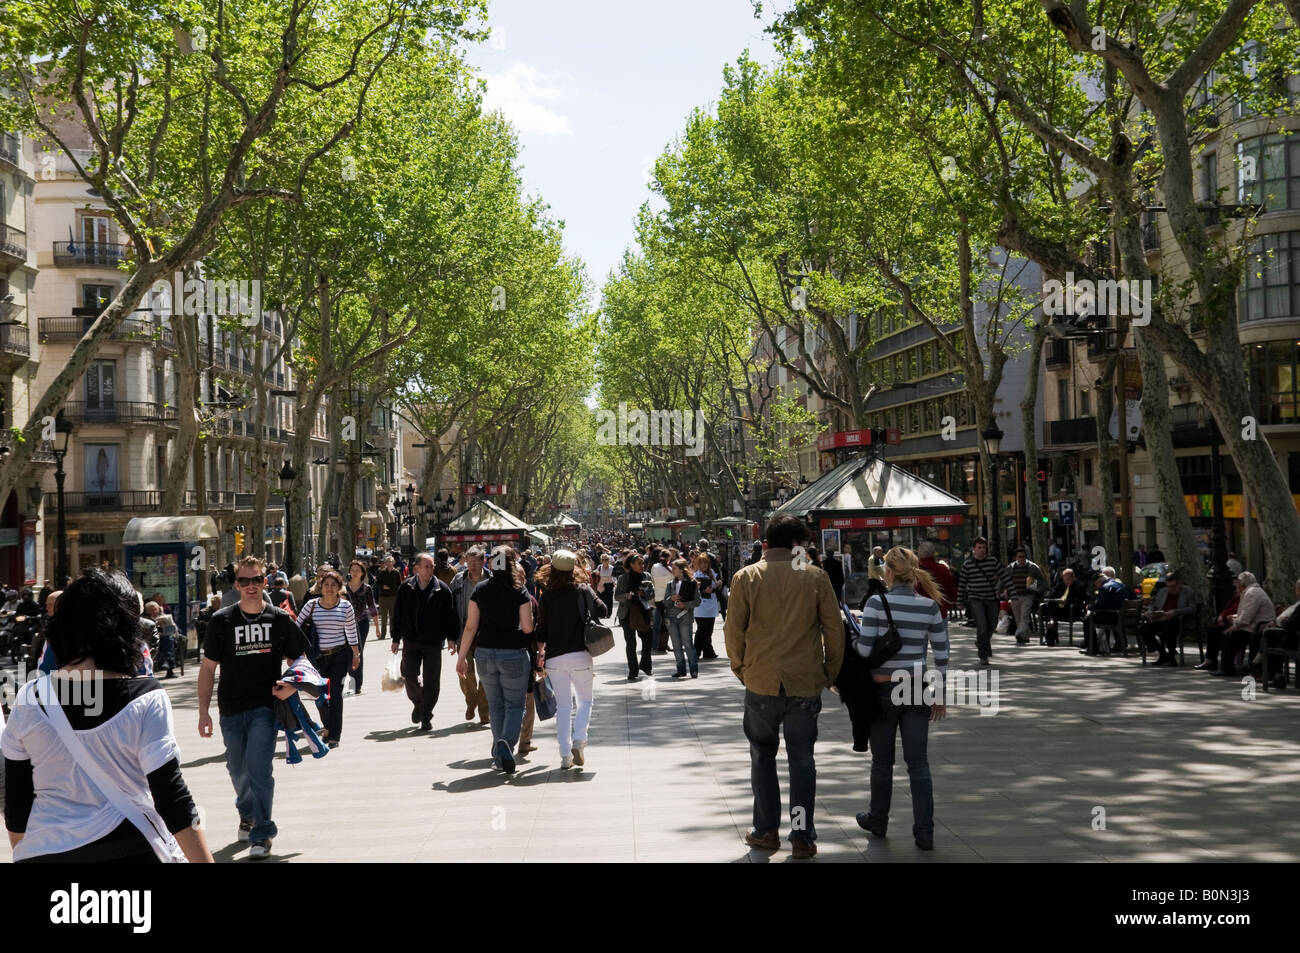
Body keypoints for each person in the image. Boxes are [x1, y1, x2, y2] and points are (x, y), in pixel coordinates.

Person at [2, 570, 214, 863]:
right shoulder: (146, 697)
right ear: (125, 630)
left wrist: (29, 851)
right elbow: (172, 798)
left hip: (43, 852)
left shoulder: (28, 699)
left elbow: (16, 803)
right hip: (128, 850)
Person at [724, 515, 843, 859]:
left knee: (762, 756)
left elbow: (733, 633)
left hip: (761, 681)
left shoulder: (746, 577)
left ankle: (766, 830)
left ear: (765, 543)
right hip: (804, 682)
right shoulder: (815, 577)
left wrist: (742, 670)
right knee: (802, 759)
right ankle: (802, 835)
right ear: (799, 546)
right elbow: (834, 630)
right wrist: (828, 673)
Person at [198, 555, 312, 859]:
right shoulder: (221, 621)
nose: (251, 586)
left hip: (265, 707)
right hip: (230, 709)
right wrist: (202, 712)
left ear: (266, 582)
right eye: (244, 581)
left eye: (257, 580)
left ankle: (262, 832)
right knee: (237, 769)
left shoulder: (279, 619)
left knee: (259, 769)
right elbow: (208, 668)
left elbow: (299, 659)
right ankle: (246, 813)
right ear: (236, 585)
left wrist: (292, 684)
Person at [853, 547, 948, 851]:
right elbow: (942, 654)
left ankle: (878, 819)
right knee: (918, 765)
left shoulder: (875, 603)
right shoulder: (930, 606)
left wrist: (854, 634)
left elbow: (865, 651)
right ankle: (924, 833)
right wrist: (941, 694)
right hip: (916, 689)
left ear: (889, 573)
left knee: (882, 762)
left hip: (883, 691)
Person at [455, 547, 534, 774]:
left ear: (491, 564)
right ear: (511, 564)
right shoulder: (520, 590)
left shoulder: (480, 589)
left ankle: (499, 756)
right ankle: (506, 743)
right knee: (516, 704)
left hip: (485, 653)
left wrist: (462, 657)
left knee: (496, 704)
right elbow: (527, 627)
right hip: (513, 653)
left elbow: (470, 626)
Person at [534, 550, 604, 769]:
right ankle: (579, 740)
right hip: (580, 654)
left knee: (563, 707)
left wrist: (540, 653)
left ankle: (565, 756)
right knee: (585, 701)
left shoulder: (547, 596)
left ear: (552, 569)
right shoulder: (583, 590)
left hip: (555, 658)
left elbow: (541, 632)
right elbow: (604, 609)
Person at [389, 552, 460, 732]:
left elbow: (451, 616)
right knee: (409, 675)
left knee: (431, 681)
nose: (430, 569)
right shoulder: (406, 588)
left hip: (433, 642)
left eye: (432, 566)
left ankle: (426, 715)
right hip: (411, 640)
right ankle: (419, 704)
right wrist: (395, 638)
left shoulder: (442, 590)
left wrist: (451, 637)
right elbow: (397, 615)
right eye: (426, 566)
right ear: (417, 568)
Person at [296, 570, 359, 747]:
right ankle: (328, 727)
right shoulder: (311, 605)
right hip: (315, 658)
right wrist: (296, 653)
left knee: (336, 696)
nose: (330, 588)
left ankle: (334, 736)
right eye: (326, 585)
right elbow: (297, 627)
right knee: (321, 696)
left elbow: (352, 632)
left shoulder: (345, 606)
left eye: (333, 585)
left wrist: (356, 654)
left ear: (339, 587)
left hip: (339, 655)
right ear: (321, 587)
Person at [450, 547, 491, 724]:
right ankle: (471, 699)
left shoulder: (492, 580)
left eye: (476, 562)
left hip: (487, 634)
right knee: (465, 672)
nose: (472, 565)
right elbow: (450, 610)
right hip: (463, 632)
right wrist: (450, 636)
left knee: (487, 674)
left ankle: (484, 710)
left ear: (483, 562)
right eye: (469, 561)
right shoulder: (458, 581)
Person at [957, 537, 1011, 665]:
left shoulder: (992, 562)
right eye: (979, 548)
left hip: (991, 598)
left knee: (992, 625)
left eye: (984, 547)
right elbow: (962, 584)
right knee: (982, 626)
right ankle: (983, 655)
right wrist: (960, 601)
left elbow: (1005, 576)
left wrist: (1013, 594)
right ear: (974, 549)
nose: (982, 550)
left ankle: (981, 642)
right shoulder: (967, 564)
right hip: (975, 599)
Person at [1215, 571, 1275, 677]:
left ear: (1242, 584)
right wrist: (1235, 619)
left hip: (1258, 628)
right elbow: (1246, 613)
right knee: (1222, 631)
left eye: (1237, 583)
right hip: (1254, 625)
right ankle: (1226, 666)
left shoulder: (1252, 593)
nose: (1236, 585)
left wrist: (1234, 625)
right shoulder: (1251, 591)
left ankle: (1227, 668)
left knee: (1228, 635)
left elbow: (1247, 617)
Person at [1138, 570, 1198, 665]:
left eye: (1173, 586)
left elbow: (1193, 608)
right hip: (1161, 618)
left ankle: (1171, 657)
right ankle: (1162, 653)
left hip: (1179, 620)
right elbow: (1154, 606)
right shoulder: (1163, 591)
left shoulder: (1188, 591)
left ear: (1179, 584)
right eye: (1168, 586)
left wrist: (1175, 612)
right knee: (1143, 629)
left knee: (1168, 629)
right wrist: (1150, 612)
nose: (1171, 589)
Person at [614, 553, 655, 680]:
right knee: (631, 643)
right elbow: (617, 596)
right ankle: (633, 671)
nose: (642, 566)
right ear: (631, 565)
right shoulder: (623, 578)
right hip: (626, 614)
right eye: (639, 564)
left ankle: (645, 665)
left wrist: (645, 594)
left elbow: (652, 594)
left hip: (643, 612)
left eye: (643, 563)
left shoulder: (647, 576)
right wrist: (626, 596)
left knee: (648, 640)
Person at [342, 560, 377, 695]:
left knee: (358, 652)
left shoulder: (367, 588)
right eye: (353, 570)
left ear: (363, 573)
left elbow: (372, 607)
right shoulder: (343, 588)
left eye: (358, 570)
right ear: (349, 572)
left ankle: (357, 684)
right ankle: (350, 680)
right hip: (346, 624)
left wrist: (378, 627)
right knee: (348, 652)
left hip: (362, 624)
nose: (355, 572)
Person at [1081, 568, 1130, 656]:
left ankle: (1092, 648)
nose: (1097, 587)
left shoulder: (1105, 587)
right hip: (1125, 617)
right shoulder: (1122, 585)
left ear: (1099, 581)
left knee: (1087, 619)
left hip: (1113, 617)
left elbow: (1100, 605)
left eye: (1096, 585)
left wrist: (1089, 607)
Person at [1196, 578, 1242, 672]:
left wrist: (1224, 619)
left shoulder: (1244, 598)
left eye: (1237, 587)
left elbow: (1239, 613)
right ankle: (1210, 660)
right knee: (1213, 631)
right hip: (1228, 622)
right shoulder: (1234, 598)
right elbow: (1226, 610)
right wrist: (1220, 617)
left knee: (1220, 632)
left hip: (1237, 624)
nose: (1235, 589)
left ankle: (1220, 664)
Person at [665, 557, 701, 679]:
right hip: (672, 617)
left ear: (681, 570)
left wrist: (685, 604)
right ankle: (680, 669)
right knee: (676, 645)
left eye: (674, 568)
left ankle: (694, 669)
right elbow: (665, 602)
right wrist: (671, 599)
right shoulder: (670, 584)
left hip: (685, 617)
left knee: (688, 644)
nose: (672, 570)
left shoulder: (692, 583)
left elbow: (697, 601)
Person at [1006, 547, 1047, 645]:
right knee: (1018, 619)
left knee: (1024, 616)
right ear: (1015, 557)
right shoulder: (1010, 568)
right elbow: (1005, 580)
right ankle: (1024, 637)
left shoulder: (1033, 567)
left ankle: (1018, 633)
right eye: (1019, 557)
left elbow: (1042, 581)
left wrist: (1033, 587)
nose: (1021, 559)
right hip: (1015, 596)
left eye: (1023, 557)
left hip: (1027, 596)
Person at [1040, 568, 1086, 644]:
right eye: (1064, 579)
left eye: (1068, 579)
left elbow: (1080, 601)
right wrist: (1058, 600)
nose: (1066, 582)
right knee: (1046, 605)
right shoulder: (1061, 584)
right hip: (1057, 609)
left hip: (1070, 610)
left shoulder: (1080, 586)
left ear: (1073, 577)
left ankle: (1051, 631)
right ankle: (1052, 623)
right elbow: (1052, 596)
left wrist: (1067, 602)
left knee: (1050, 607)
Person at [916, 540, 956, 623]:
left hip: (919, 614)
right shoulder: (943, 569)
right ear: (934, 553)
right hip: (939, 613)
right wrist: (945, 607)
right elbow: (952, 594)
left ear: (919, 554)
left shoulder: (914, 571)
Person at [692, 552, 721, 660]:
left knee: (708, 630)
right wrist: (706, 590)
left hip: (711, 605)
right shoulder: (696, 575)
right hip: (701, 607)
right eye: (701, 563)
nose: (704, 565)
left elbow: (713, 587)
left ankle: (708, 652)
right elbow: (696, 590)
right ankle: (696, 651)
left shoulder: (712, 572)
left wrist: (718, 584)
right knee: (701, 630)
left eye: (705, 563)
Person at [145, 601, 180, 679]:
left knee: (168, 639)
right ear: (147, 611)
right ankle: (168, 666)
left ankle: (166, 662)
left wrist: (165, 626)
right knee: (168, 641)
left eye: (155, 609)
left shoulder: (164, 617)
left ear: (158, 609)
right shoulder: (146, 620)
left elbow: (173, 630)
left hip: (166, 638)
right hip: (153, 641)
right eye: (151, 610)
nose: (154, 611)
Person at [650, 548, 673, 653]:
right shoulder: (669, 570)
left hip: (658, 597)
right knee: (666, 622)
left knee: (658, 621)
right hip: (668, 598)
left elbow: (653, 581)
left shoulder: (654, 567)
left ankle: (657, 643)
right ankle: (663, 644)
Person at [375, 555, 402, 640]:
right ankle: (383, 634)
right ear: (385, 563)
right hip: (383, 597)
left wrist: (397, 593)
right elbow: (377, 583)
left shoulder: (396, 572)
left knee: (392, 617)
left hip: (393, 597)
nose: (389, 563)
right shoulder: (382, 572)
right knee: (383, 617)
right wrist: (382, 586)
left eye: (390, 561)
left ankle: (392, 633)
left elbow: (399, 584)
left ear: (393, 562)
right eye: (387, 562)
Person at [596, 554, 615, 619]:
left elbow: (614, 577)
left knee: (609, 600)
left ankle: (609, 613)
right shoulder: (599, 567)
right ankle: (602, 613)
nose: (605, 561)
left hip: (609, 585)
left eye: (606, 559)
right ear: (601, 560)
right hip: (601, 585)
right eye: (603, 559)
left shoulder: (612, 568)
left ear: (609, 560)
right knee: (601, 599)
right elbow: (596, 575)